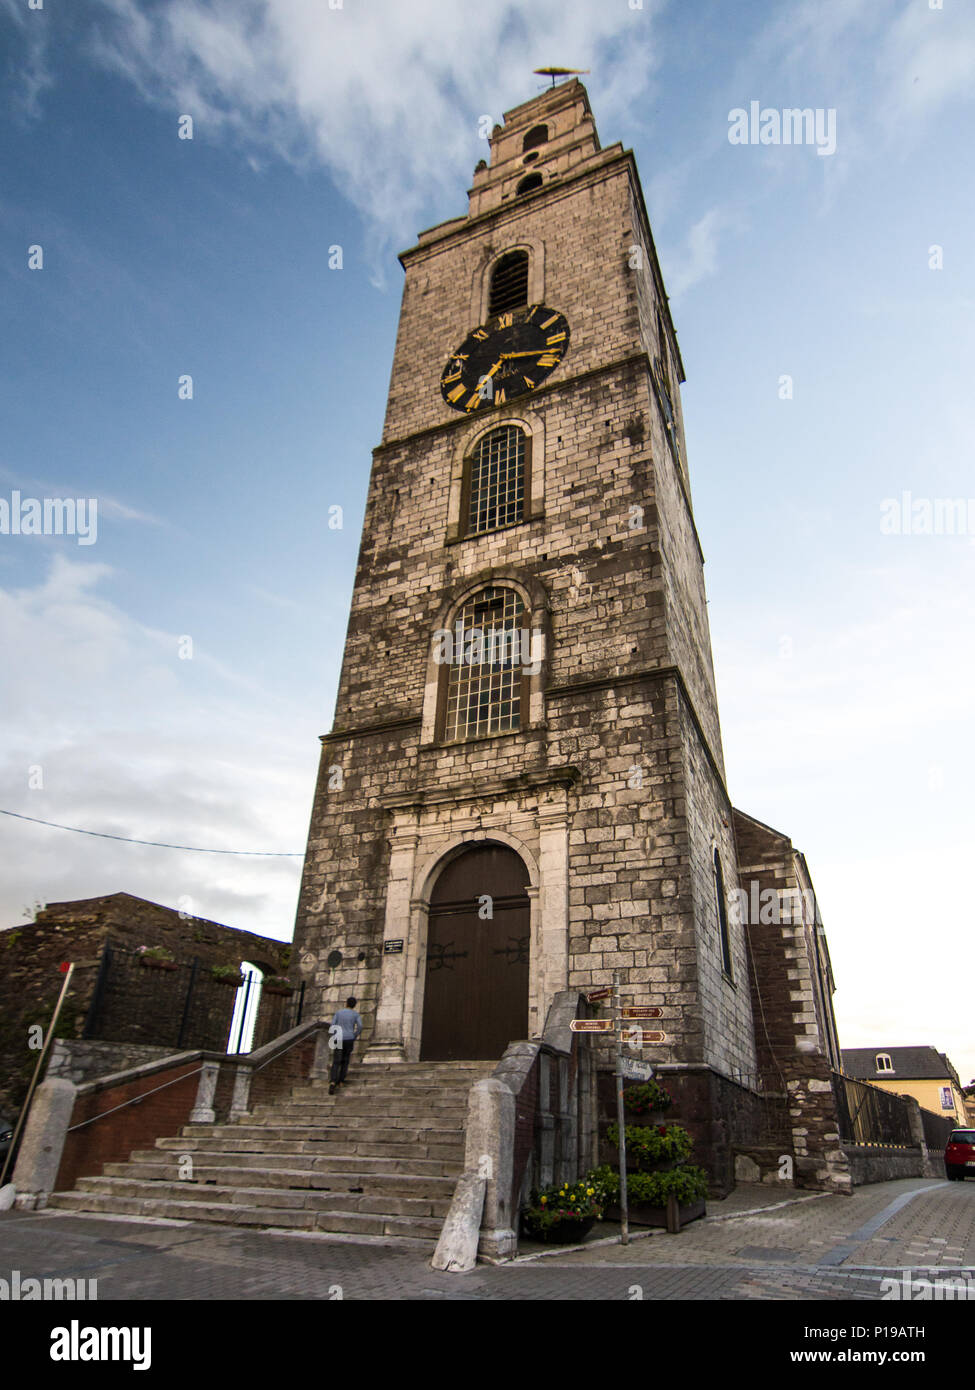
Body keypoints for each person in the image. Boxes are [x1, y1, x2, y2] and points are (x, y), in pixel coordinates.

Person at [328, 996, 363, 1094]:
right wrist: (355, 1035)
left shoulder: (339, 1013)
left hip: (338, 1038)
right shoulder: (355, 1014)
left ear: (346, 1003)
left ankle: (333, 1081)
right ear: (354, 1005)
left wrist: (334, 1035)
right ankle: (341, 1080)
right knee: (345, 1060)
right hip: (349, 1038)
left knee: (336, 1060)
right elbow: (360, 1026)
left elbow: (332, 1025)